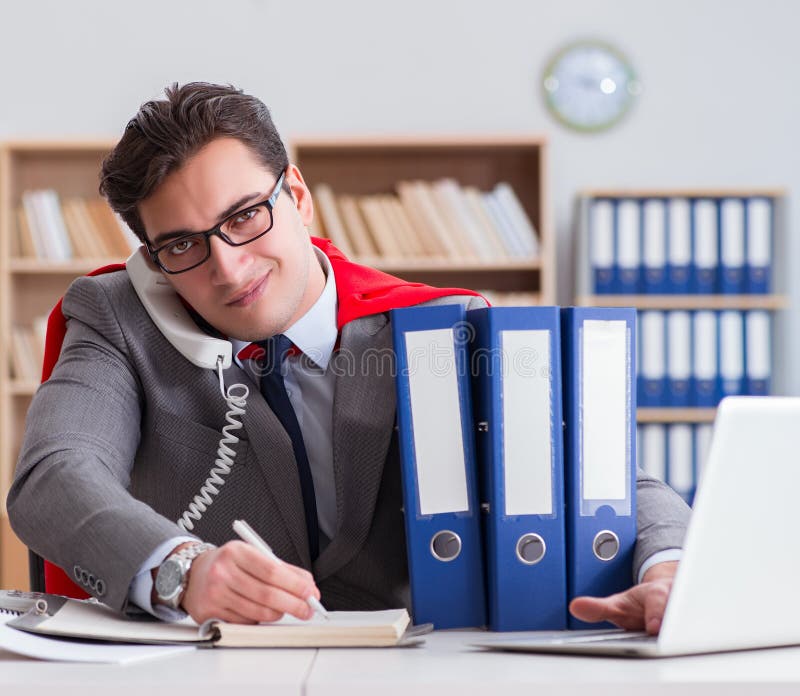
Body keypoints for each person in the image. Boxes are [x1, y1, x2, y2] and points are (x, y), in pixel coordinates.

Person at [8, 82, 690, 634]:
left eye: (246, 215)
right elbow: (55, 476)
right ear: (153, 261)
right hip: (213, 670)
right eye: (182, 246)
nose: (228, 266)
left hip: (425, 664)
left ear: (297, 196)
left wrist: (666, 567)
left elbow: (598, 475)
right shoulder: (119, 320)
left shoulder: (435, 328)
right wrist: (183, 571)